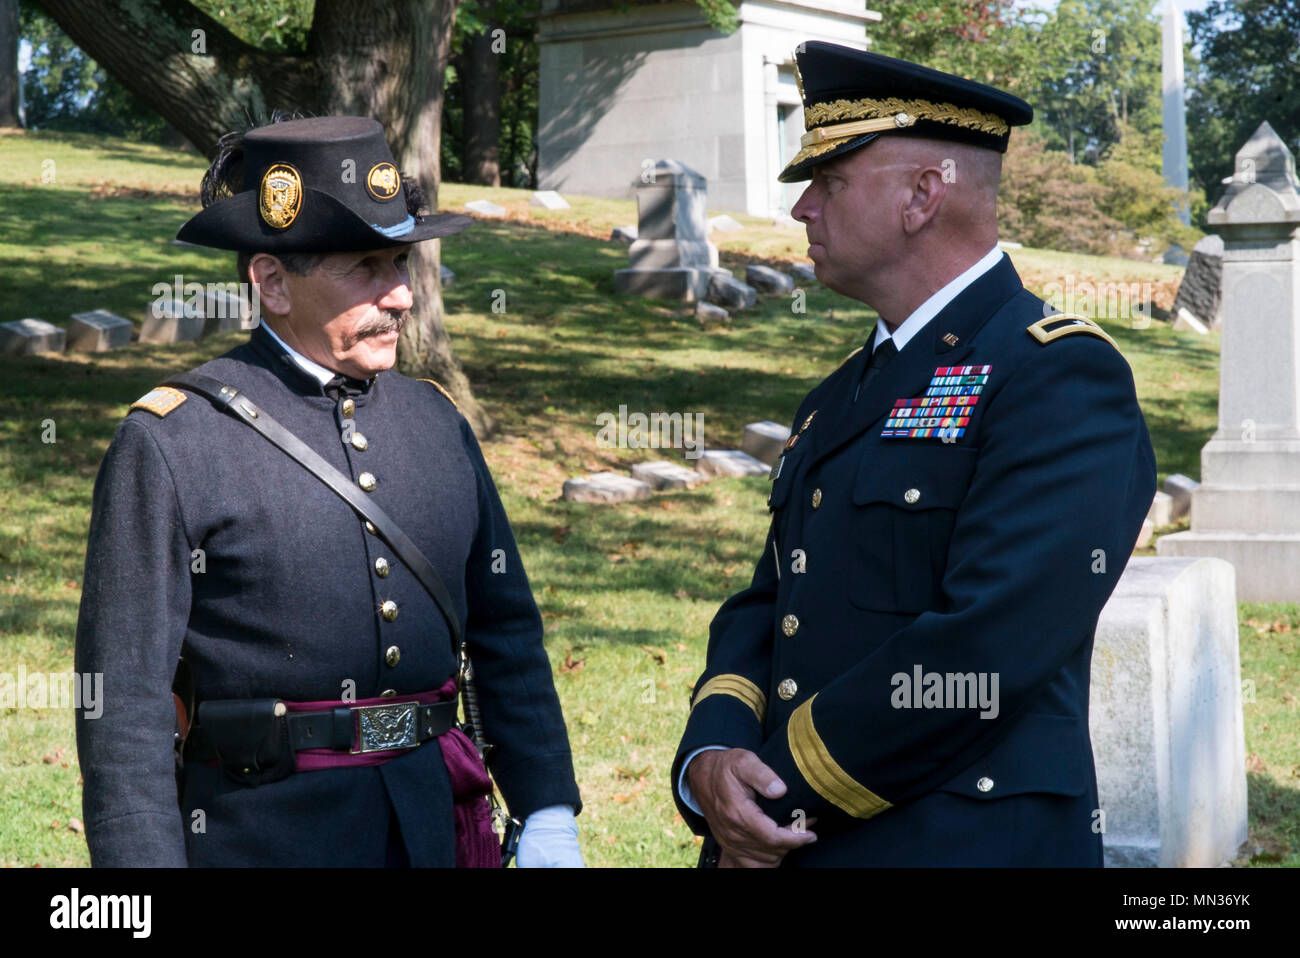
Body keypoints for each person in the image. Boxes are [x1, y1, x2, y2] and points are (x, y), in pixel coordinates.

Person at [671, 43, 1157, 867]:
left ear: (922, 196)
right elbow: (770, 607)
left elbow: (988, 648)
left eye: (827, 184)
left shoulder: (1058, 375)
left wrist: (773, 787)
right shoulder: (835, 398)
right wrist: (711, 759)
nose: (802, 213)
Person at [75, 115, 583, 867]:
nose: (402, 295)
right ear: (272, 282)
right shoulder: (174, 440)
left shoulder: (436, 423)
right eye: (367, 267)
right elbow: (122, 704)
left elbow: (506, 634)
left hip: (432, 825)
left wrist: (546, 811)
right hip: (261, 838)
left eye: (401, 262)